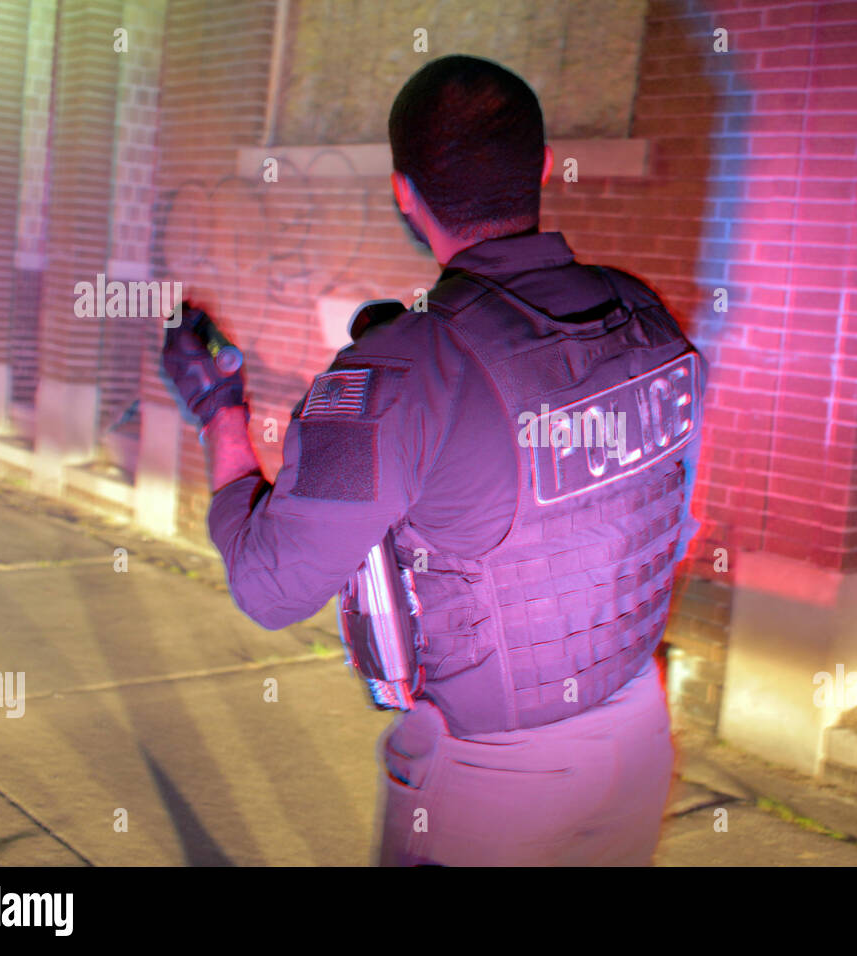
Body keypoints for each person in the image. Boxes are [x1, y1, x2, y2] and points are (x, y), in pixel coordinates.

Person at [161, 54, 706, 866]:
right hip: (636, 735)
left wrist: (219, 411)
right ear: (546, 167)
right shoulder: (642, 315)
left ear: (403, 192)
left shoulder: (394, 379)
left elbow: (270, 584)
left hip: (496, 787)